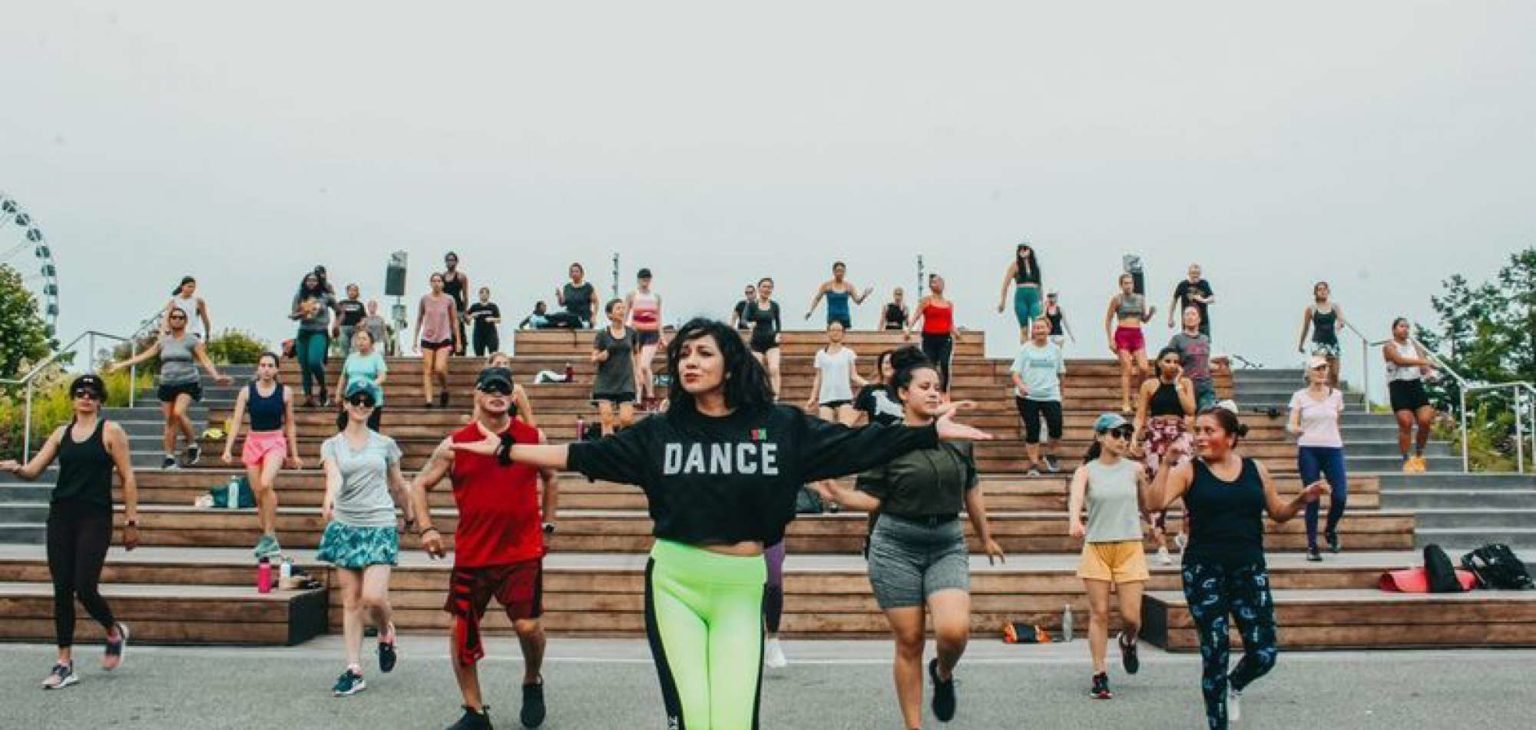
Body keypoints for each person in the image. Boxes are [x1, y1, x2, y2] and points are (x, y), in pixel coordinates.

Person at [449, 318, 989, 730]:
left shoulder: (778, 427)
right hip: (675, 583)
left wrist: (927, 433)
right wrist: (507, 449)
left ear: (730, 363)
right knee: (697, 717)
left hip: (741, 584)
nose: (689, 361)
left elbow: (857, 443)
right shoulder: (660, 432)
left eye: (703, 352)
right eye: (682, 353)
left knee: (730, 720)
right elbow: (582, 456)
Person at [821, 347, 1004, 729]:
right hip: (895, 546)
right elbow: (872, 498)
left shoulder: (956, 438)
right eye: (925, 386)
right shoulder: (885, 440)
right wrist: (839, 495)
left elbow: (972, 488)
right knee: (910, 641)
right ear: (903, 393)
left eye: (938, 386)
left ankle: (944, 672)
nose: (934, 393)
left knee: (954, 632)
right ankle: (913, 725)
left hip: (946, 543)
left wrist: (985, 536)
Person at [1148, 406, 1326, 730]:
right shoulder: (1189, 471)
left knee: (1264, 653)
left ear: (1230, 438)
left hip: (1249, 570)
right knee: (1215, 649)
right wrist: (1166, 462)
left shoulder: (1256, 469)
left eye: (1208, 431)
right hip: (1204, 572)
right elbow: (1154, 503)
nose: (1200, 437)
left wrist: (1301, 500)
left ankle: (1235, 684)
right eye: (1197, 431)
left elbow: (1278, 513)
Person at [410, 367, 559, 730]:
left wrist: (548, 525)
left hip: (521, 552)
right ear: (477, 394)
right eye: (489, 388)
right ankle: (474, 711)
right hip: (473, 556)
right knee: (460, 630)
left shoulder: (530, 437)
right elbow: (419, 484)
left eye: (503, 389)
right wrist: (426, 528)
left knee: (527, 626)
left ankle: (532, 679)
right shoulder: (455, 443)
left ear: (512, 396)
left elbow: (551, 477)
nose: (496, 394)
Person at [1, 374, 138, 690]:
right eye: (80, 392)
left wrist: (131, 522)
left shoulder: (111, 431)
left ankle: (113, 629)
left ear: (100, 399)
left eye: (91, 393)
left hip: (95, 516)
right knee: (62, 588)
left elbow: (128, 478)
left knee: (84, 586)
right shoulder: (61, 433)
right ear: (73, 399)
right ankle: (64, 663)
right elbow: (34, 470)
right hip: (62, 515)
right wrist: (17, 469)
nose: (85, 397)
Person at [317, 381, 414, 697]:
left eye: (367, 400)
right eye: (355, 399)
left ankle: (386, 631)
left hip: (379, 523)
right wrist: (329, 498)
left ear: (373, 406)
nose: (361, 404)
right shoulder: (332, 445)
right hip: (346, 525)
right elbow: (334, 475)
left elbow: (398, 484)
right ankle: (354, 669)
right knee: (352, 600)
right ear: (345, 404)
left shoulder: (385, 444)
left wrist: (411, 513)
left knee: (373, 598)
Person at [1068, 413, 1151, 701]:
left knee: (1132, 618)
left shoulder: (1135, 469)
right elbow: (1076, 498)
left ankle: (1127, 641)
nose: (1123, 439)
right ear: (1100, 437)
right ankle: (1099, 674)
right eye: (1116, 434)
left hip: (1129, 546)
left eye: (1126, 434)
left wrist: (1151, 521)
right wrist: (1075, 520)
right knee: (1099, 613)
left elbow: (1145, 501)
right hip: (1097, 546)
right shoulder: (1086, 471)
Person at [108, 308, 231, 469]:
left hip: (187, 382)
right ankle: (169, 457)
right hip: (167, 383)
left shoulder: (191, 340)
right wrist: (120, 364)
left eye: (181, 318)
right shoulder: (163, 341)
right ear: (170, 320)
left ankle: (193, 444)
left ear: (186, 321)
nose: (177, 320)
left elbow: (204, 360)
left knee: (178, 413)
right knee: (170, 421)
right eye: (174, 317)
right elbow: (144, 355)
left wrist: (216, 376)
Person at [222, 352, 302, 559]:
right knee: (258, 494)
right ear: (258, 369)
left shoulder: (285, 392)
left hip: (275, 440)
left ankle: (269, 537)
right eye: (262, 365)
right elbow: (237, 421)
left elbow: (290, 424)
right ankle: (269, 537)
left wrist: (295, 454)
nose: (266, 369)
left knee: (266, 484)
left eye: (270, 365)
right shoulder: (246, 392)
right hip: (253, 441)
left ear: (276, 370)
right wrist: (227, 449)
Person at [1134, 347, 1196, 566]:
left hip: (1180, 434)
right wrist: (1135, 438)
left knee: (1188, 485)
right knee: (1157, 487)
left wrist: (1179, 384)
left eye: (1176, 361)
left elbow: (1191, 410)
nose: (1172, 364)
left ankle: (1185, 535)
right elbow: (1140, 413)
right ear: (1159, 363)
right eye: (1168, 360)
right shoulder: (1149, 385)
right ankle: (1161, 543)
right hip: (1156, 435)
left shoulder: (1185, 383)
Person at [1288, 356, 1349, 561]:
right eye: (1317, 369)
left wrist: (1337, 439)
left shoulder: (1336, 396)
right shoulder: (1299, 396)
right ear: (1309, 373)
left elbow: (1336, 422)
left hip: (1332, 448)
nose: (1321, 372)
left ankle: (1330, 529)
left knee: (1339, 496)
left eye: (1324, 368)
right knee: (1312, 496)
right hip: (1309, 448)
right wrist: (1296, 429)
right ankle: (1312, 545)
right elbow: (1292, 422)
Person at [1011, 317, 1065, 475]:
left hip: (1050, 395)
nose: (1039, 330)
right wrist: (1021, 386)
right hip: (1027, 397)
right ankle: (1034, 464)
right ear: (1032, 331)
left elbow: (1061, 373)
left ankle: (1051, 455)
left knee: (1056, 427)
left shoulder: (1055, 350)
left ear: (1049, 330)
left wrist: (1062, 392)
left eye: (1042, 327)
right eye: (1036, 328)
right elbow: (1015, 373)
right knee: (1032, 429)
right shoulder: (1025, 349)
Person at [1385, 318, 1437, 473]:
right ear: (1394, 330)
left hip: (1415, 385)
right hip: (1398, 386)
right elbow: (1399, 361)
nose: (1405, 329)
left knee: (1425, 420)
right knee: (1406, 423)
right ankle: (1406, 458)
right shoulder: (1389, 346)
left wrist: (1428, 372)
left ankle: (1419, 455)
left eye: (1407, 327)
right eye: (1401, 326)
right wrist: (1423, 361)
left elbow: (1423, 367)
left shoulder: (1415, 345)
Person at [290, 270, 341, 407]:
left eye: (314, 280)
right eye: (308, 280)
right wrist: (303, 312)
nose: (311, 282)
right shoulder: (300, 295)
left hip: (319, 332)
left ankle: (323, 388)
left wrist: (336, 325)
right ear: (304, 282)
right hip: (303, 333)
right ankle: (308, 397)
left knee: (313, 361)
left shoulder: (325, 296)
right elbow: (293, 315)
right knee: (304, 366)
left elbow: (340, 311)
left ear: (319, 282)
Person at [1106, 273, 1156, 414]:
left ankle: (1138, 395)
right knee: (1127, 368)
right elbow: (1108, 319)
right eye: (1125, 283)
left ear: (1134, 284)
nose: (1128, 285)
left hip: (1136, 334)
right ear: (1121, 285)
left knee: (1144, 367)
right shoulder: (1117, 299)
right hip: (1122, 334)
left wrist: (1151, 314)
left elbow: (1144, 319)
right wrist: (1110, 340)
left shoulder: (1140, 299)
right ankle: (1126, 402)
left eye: (1130, 283)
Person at [592, 299, 641, 437]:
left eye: (623, 308)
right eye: (618, 308)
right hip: (605, 381)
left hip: (625, 380)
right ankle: (607, 451)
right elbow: (593, 357)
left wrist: (638, 372)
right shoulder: (602, 334)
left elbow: (637, 353)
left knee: (626, 420)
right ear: (609, 315)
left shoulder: (632, 333)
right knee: (607, 419)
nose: (622, 311)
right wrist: (599, 357)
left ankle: (622, 449)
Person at [907, 274, 961, 393]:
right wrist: (908, 330)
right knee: (929, 365)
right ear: (930, 285)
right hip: (929, 338)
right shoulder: (926, 301)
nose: (939, 283)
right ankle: (930, 390)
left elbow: (950, 322)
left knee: (944, 363)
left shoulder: (949, 304)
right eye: (935, 282)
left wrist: (957, 333)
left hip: (945, 338)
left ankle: (944, 392)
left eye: (940, 281)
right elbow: (916, 316)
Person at [415, 272, 461, 408]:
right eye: (433, 281)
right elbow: (419, 318)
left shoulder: (449, 299)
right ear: (430, 283)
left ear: (443, 283)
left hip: (443, 337)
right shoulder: (424, 299)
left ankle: (445, 389)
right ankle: (429, 400)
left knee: (440, 368)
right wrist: (414, 339)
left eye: (439, 281)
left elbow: (454, 320)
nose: (436, 283)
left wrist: (458, 341)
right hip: (427, 337)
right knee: (427, 369)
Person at [806, 322, 866, 425]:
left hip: (844, 396)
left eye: (838, 330)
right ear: (828, 332)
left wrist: (870, 385)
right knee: (826, 431)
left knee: (844, 429)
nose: (835, 333)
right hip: (826, 398)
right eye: (833, 330)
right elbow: (818, 377)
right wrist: (812, 397)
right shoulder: (820, 354)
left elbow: (854, 375)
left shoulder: (848, 353)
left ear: (843, 333)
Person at [626, 269, 666, 407]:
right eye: (642, 278)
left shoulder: (656, 297)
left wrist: (662, 336)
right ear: (638, 279)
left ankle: (650, 395)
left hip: (651, 333)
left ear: (650, 280)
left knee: (644, 365)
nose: (645, 281)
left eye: (647, 279)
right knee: (637, 367)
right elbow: (626, 315)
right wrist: (624, 332)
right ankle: (638, 397)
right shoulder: (632, 295)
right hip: (636, 333)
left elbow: (659, 318)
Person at [336, 329, 388, 432]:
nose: (361, 341)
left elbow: (382, 377)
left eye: (364, 339)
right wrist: (338, 394)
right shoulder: (351, 357)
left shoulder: (376, 358)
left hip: (370, 399)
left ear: (371, 342)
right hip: (351, 398)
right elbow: (343, 377)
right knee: (344, 426)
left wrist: (367, 386)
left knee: (371, 430)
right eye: (358, 339)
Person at [1297, 282, 1346, 388]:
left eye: (1325, 289)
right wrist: (1301, 344)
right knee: (1323, 372)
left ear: (1328, 291)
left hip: (1332, 342)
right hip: (1318, 343)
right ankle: (1320, 395)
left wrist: (1339, 325)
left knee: (1334, 375)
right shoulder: (1311, 309)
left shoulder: (1334, 306)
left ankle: (1335, 400)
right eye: (1319, 289)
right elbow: (1305, 328)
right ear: (1316, 293)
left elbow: (1341, 320)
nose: (1322, 291)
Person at [1169, 306, 1218, 410]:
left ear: (1199, 319)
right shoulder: (1177, 339)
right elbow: (1169, 360)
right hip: (1187, 386)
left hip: (1206, 387)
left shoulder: (1205, 339)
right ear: (1183, 319)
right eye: (1187, 314)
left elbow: (1205, 361)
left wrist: (1219, 366)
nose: (1190, 317)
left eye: (1193, 314)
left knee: (1207, 414)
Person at [743, 277, 784, 398]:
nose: (767, 289)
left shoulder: (775, 306)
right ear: (759, 288)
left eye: (769, 287)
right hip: (756, 342)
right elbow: (744, 319)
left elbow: (778, 322)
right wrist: (749, 324)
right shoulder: (752, 305)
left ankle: (775, 398)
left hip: (771, 342)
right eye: (764, 286)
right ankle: (759, 396)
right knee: (757, 370)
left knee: (774, 368)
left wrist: (778, 334)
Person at [997, 242, 1045, 342]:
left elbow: (1040, 286)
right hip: (1021, 298)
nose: (1022, 251)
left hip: (1034, 298)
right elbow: (1005, 284)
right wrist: (1002, 301)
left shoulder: (1035, 266)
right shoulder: (1015, 265)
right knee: (1024, 329)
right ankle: (1025, 352)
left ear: (1030, 250)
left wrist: (1042, 302)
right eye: (1020, 249)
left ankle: (1035, 351)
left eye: (1025, 248)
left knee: (1037, 326)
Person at [805, 261, 874, 329]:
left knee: (846, 339)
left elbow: (857, 301)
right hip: (832, 318)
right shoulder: (827, 285)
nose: (840, 273)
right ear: (834, 272)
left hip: (845, 318)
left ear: (845, 272)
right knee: (833, 337)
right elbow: (817, 299)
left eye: (842, 271)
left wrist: (864, 295)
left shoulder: (849, 286)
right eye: (838, 271)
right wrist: (810, 311)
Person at [486, 352, 539, 427]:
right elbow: (477, 418)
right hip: (489, 432)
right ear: (490, 367)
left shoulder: (517, 390)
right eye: (498, 364)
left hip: (510, 432)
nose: (503, 367)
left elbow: (529, 419)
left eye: (505, 364)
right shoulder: (482, 389)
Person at [854, 350, 905, 427]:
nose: (889, 366)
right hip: (878, 435)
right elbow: (851, 419)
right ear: (880, 366)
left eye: (893, 363)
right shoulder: (869, 390)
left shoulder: (906, 391)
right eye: (887, 362)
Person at [1169, 263, 1214, 336]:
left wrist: (1203, 300)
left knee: (1204, 344)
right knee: (1187, 343)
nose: (1195, 275)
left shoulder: (1204, 284)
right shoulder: (1183, 285)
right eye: (1193, 273)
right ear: (1189, 273)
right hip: (1188, 322)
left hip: (1203, 322)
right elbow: (1174, 301)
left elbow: (1212, 298)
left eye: (1197, 273)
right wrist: (1170, 318)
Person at [163, 275, 211, 341]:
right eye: (189, 286)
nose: (192, 289)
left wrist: (207, 333)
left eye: (193, 287)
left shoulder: (199, 301)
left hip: (193, 334)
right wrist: (165, 333)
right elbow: (166, 319)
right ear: (182, 287)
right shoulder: (174, 302)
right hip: (178, 334)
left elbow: (205, 319)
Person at [554, 263, 599, 329]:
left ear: (581, 273)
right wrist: (559, 296)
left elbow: (596, 302)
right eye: (572, 272)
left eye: (577, 271)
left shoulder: (587, 287)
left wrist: (594, 316)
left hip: (584, 319)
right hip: (570, 319)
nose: (574, 273)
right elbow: (562, 303)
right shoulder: (567, 287)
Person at [443, 252, 471, 355]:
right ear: (445, 262)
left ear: (456, 262)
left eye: (452, 260)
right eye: (448, 260)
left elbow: (465, 296)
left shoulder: (461, 277)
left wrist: (464, 312)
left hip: (458, 309)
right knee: (446, 334)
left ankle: (461, 354)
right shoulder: (442, 277)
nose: (450, 262)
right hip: (445, 310)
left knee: (459, 333)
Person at [466, 287, 502, 358]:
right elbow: (467, 319)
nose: (484, 295)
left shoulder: (493, 306)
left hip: (490, 332)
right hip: (478, 333)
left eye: (486, 293)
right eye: (482, 293)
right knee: (479, 355)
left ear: (489, 295)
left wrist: (492, 319)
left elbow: (499, 319)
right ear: (479, 295)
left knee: (493, 354)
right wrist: (472, 316)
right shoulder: (475, 306)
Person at [335, 284, 368, 358]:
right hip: (343, 328)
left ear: (357, 292)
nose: (352, 292)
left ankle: (354, 366)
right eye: (350, 290)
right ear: (347, 292)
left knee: (355, 348)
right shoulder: (341, 303)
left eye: (354, 290)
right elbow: (337, 316)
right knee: (344, 348)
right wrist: (335, 327)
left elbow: (364, 318)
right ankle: (345, 366)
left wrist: (361, 323)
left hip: (355, 329)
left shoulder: (360, 304)